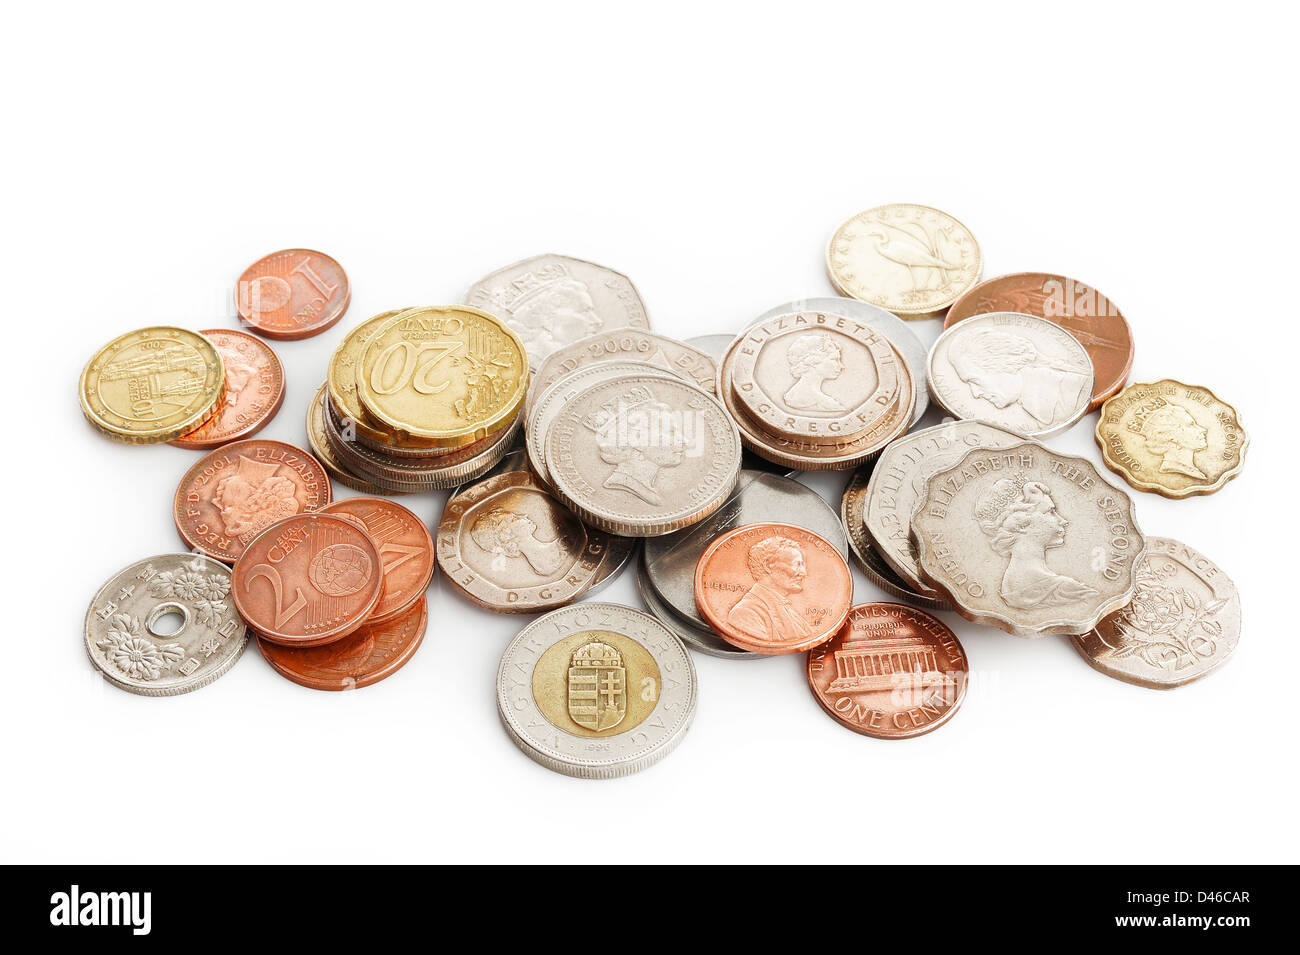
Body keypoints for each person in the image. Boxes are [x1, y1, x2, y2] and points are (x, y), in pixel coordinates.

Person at [974, 476, 1097, 610]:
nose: (1062, 520)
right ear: (1021, 524)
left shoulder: (1010, 584)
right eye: (1050, 512)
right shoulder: (1066, 589)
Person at [949, 328, 1089, 428]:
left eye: (975, 381)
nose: (975, 393)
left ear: (1004, 364)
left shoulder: (1070, 389)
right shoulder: (1039, 401)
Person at [727, 536, 814, 641]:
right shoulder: (745, 612)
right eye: (797, 564)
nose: (804, 573)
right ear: (768, 565)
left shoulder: (788, 609)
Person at [1137, 401, 1209, 479]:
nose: (1203, 429)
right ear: (1170, 436)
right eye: (1191, 425)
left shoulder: (1193, 471)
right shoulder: (1176, 469)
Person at [782, 332, 846, 412]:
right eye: (834, 359)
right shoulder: (827, 405)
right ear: (814, 360)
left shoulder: (791, 395)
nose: (841, 366)